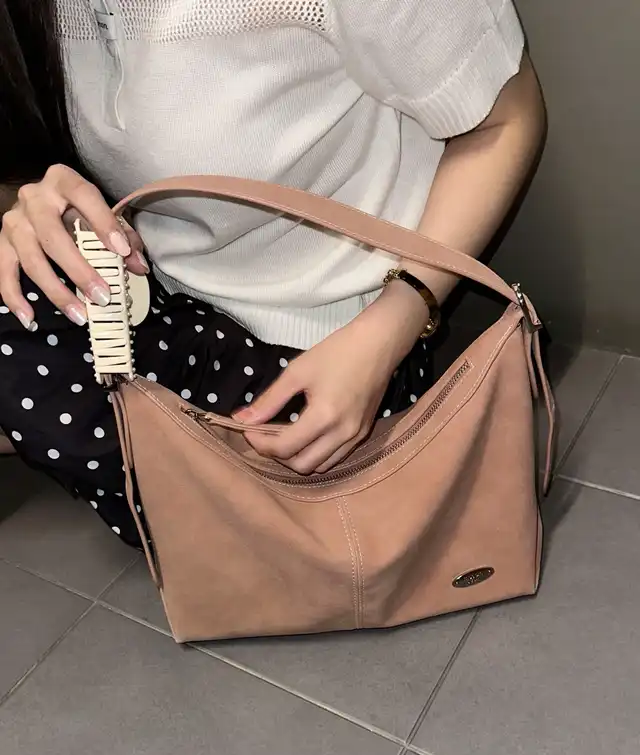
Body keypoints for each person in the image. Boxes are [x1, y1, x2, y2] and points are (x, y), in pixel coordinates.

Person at [0, 0, 545, 546]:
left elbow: (507, 117)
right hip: (157, 299)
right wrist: (57, 209)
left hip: (333, 352)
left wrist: (388, 329)